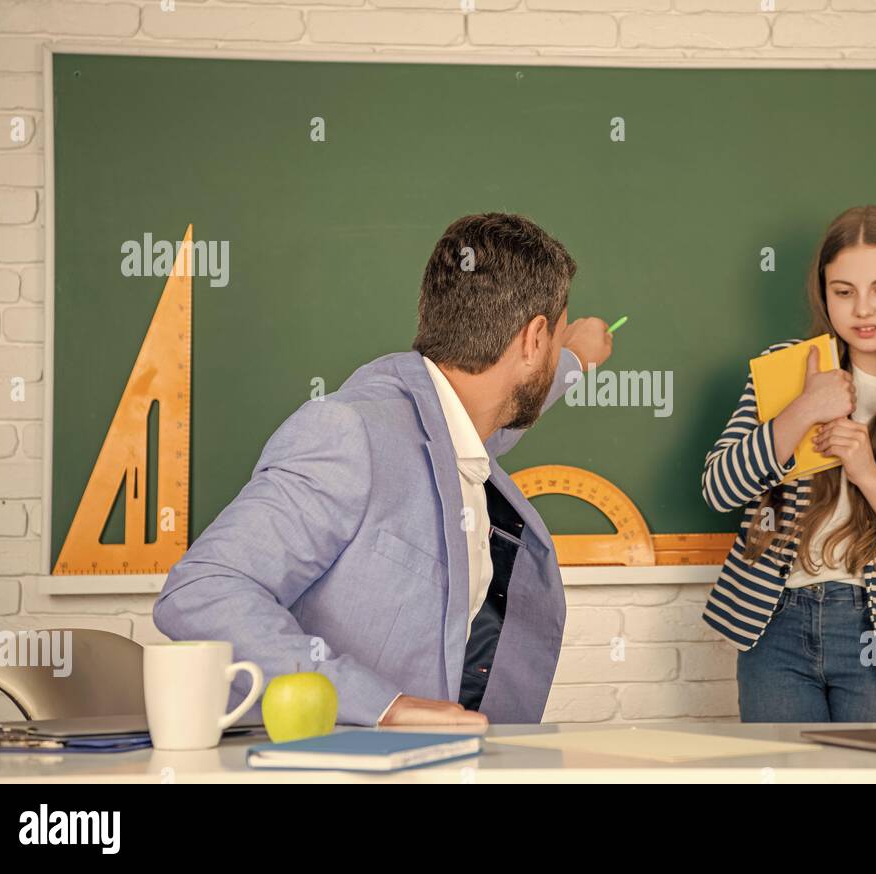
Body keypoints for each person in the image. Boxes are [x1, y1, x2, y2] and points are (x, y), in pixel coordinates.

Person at [154, 213, 613, 727]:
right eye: (548, 346)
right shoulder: (350, 432)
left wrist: (570, 359)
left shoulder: (450, 429)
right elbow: (203, 589)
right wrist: (382, 706)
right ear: (532, 340)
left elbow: (498, 419)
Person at [700, 204, 876, 723]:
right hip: (775, 626)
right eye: (844, 292)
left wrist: (868, 473)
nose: (864, 310)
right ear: (823, 293)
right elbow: (719, 488)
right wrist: (803, 408)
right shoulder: (788, 366)